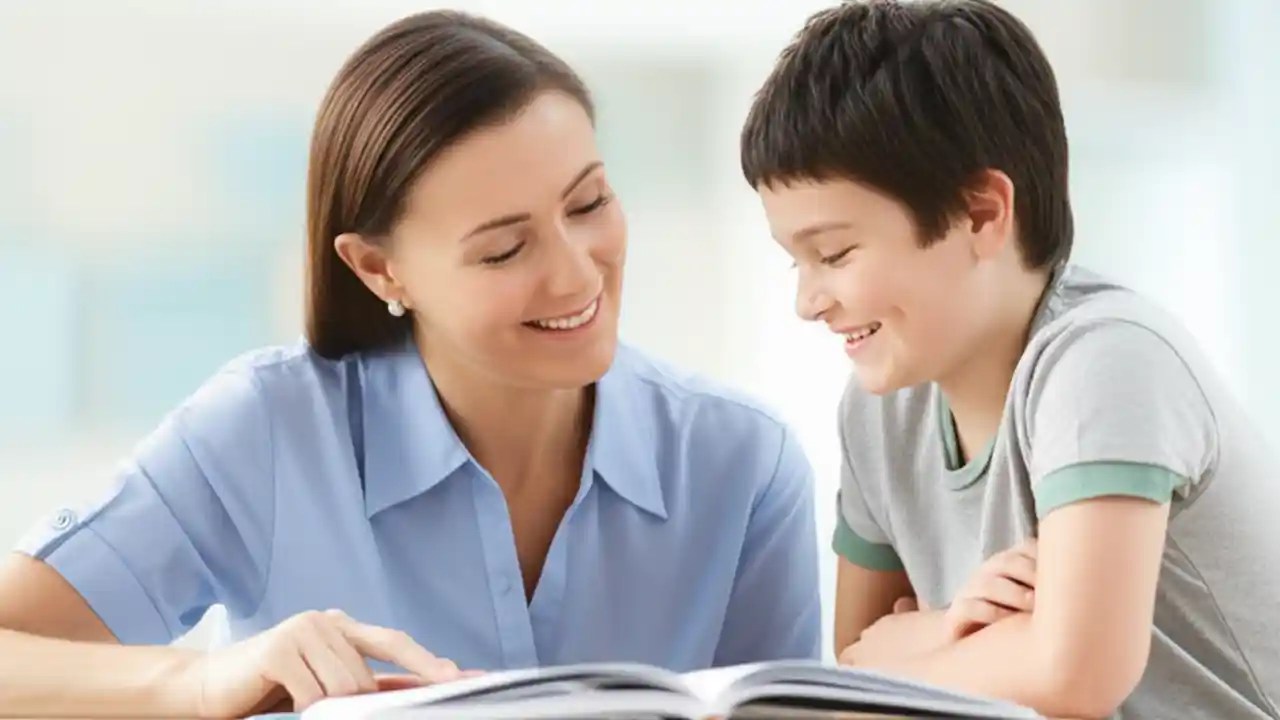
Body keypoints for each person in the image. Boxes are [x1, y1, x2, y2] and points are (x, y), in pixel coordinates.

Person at [0, 11, 822, 717]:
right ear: (378, 270)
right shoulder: (268, 433)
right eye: (504, 250)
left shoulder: (741, 461)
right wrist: (207, 681)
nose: (578, 272)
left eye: (589, 204)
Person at [738, 1, 1280, 718]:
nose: (809, 302)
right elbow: (856, 660)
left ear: (982, 214)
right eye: (795, 263)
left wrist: (912, 649)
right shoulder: (881, 406)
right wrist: (950, 627)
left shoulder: (1107, 361)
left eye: (835, 254)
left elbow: (1076, 675)